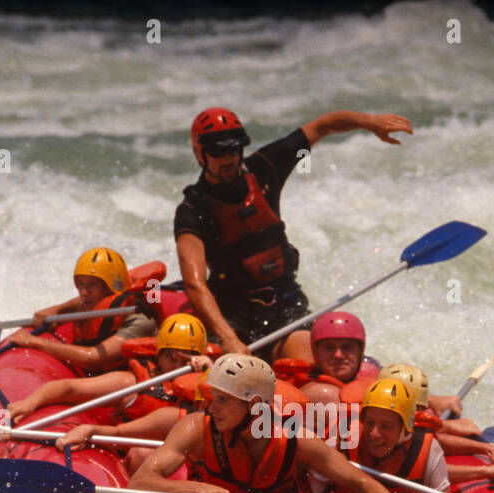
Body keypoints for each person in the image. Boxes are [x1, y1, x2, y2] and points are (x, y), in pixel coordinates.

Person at [175, 107, 412, 360]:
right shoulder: (192, 211)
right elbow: (194, 283)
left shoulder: (266, 169)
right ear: (200, 154)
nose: (228, 159)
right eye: (217, 152)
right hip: (233, 316)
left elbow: (322, 126)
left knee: (309, 359)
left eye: (234, 149)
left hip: (284, 307)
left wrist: (370, 121)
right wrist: (229, 339)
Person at [128, 354, 401, 493]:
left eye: (223, 400)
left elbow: (361, 483)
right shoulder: (196, 428)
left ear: (254, 404)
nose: (213, 407)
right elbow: (139, 485)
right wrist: (200, 489)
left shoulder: (296, 438)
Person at [308, 378, 480, 493]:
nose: (374, 433)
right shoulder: (341, 442)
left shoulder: (428, 452)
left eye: (386, 426)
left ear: (405, 429)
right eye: (369, 423)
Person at [5, 313, 212, 431]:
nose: (177, 367)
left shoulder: (208, 386)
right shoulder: (131, 383)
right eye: (172, 358)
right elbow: (68, 388)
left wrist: (210, 372)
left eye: (186, 361)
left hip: (182, 461)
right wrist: (31, 402)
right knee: (141, 453)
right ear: (159, 356)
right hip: (138, 455)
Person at [7, 246, 159, 374]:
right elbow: (81, 301)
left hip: (130, 378)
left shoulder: (139, 320)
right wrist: (57, 309)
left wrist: (35, 342)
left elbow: (91, 357)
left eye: (92, 284)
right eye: (80, 284)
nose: (84, 292)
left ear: (110, 287)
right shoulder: (94, 302)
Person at [373, 363, 494, 481]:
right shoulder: (365, 430)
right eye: (411, 409)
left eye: (419, 409)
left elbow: (429, 443)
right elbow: (427, 469)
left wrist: (487, 449)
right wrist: (486, 471)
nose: (416, 416)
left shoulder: (410, 427)